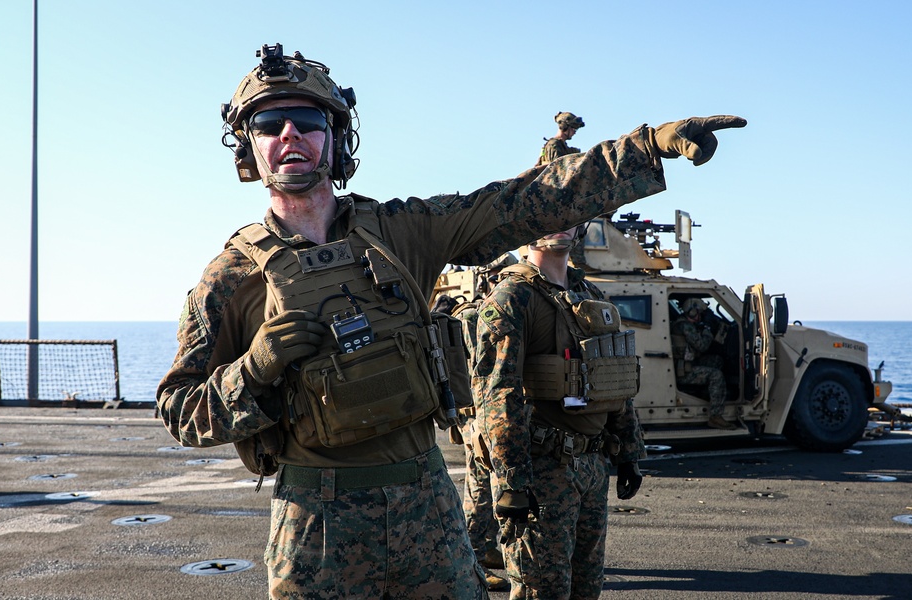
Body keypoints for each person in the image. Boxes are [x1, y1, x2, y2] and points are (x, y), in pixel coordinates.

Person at [155, 42, 745, 599]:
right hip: (317, 524)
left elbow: (518, 202)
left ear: (335, 139)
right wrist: (253, 370)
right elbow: (181, 413)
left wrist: (646, 147)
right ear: (248, 146)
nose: (290, 135)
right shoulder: (230, 277)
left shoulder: (401, 232)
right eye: (268, 124)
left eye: (308, 121)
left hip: (427, 505)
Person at [471, 226, 648, 599]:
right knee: (542, 592)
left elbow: (613, 380)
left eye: (570, 216)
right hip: (542, 472)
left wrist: (630, 452)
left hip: (591, 467)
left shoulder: (589, 294)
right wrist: (512, 480)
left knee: (587, 588)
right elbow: (496, 393)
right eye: (551, 215)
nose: (561, 224)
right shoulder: (512, 298)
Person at [451, 253, 518, 591]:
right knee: (480, 486)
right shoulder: (473, 315)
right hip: (478, 413)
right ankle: (472, 558)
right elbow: (478, 372)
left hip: (488, 410)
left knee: (489, 482)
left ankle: (485, 548)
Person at [671, 298, 736, 430]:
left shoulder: (681, 323)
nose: (699, 318)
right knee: (716, 376)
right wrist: (707, 329)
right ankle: (715, 417)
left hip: (685, 365)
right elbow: (702, 346)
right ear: (692, 313)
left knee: (717, 360)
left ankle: (711, 397)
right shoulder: (685, 326)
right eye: (698, 314)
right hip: (683, 371)